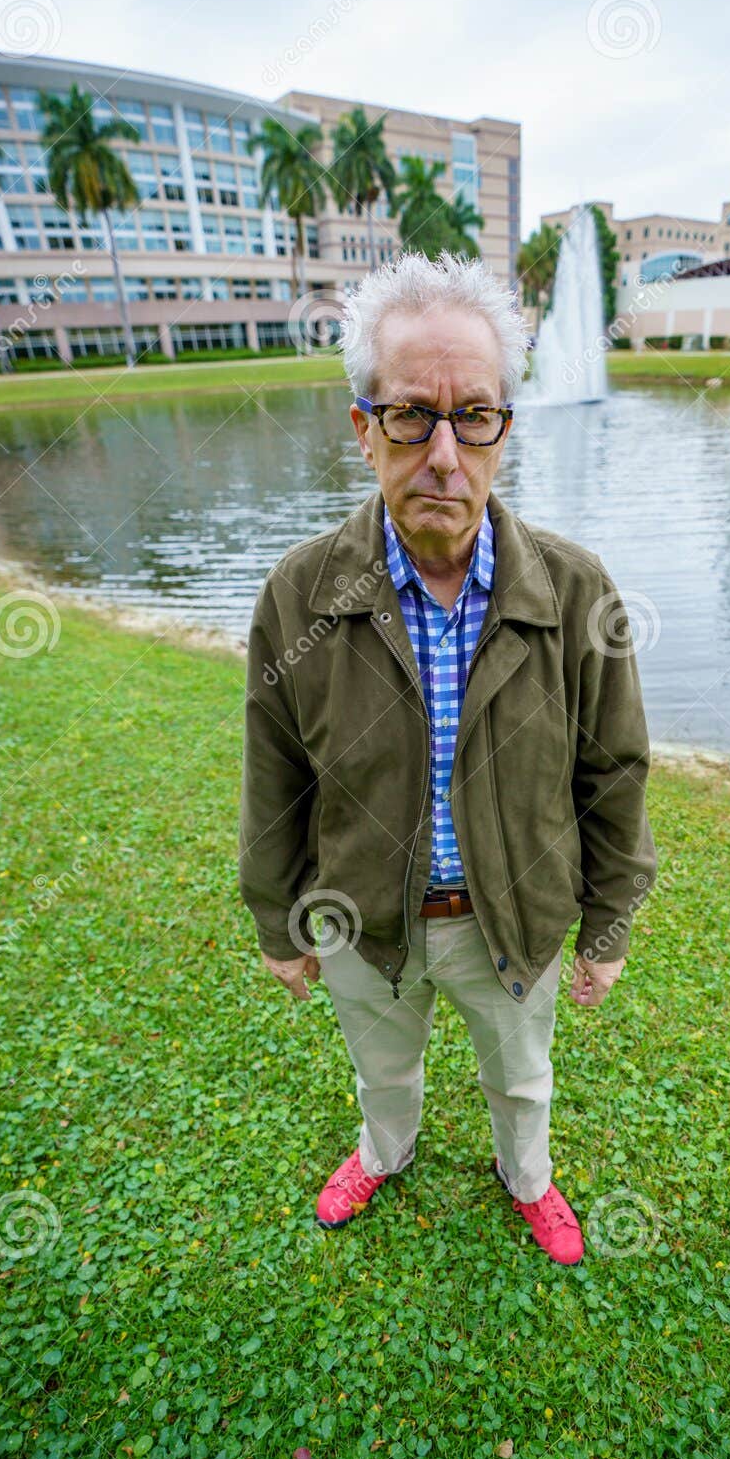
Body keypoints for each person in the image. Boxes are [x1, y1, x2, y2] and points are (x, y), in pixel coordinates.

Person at [238, 250, 656, 1264]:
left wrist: (605, 924)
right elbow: (276, 772)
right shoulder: (298, 593)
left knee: (520, 1076)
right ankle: (385, 1149)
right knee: (382, 1068)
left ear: (504, 429)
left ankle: (528, 1177)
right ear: (361, 428)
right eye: (409, 413)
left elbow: (614, 769)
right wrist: (275, 915)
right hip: (358, 920)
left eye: (473, 415)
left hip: (509, 917)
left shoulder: (573, 587)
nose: (441, 453)